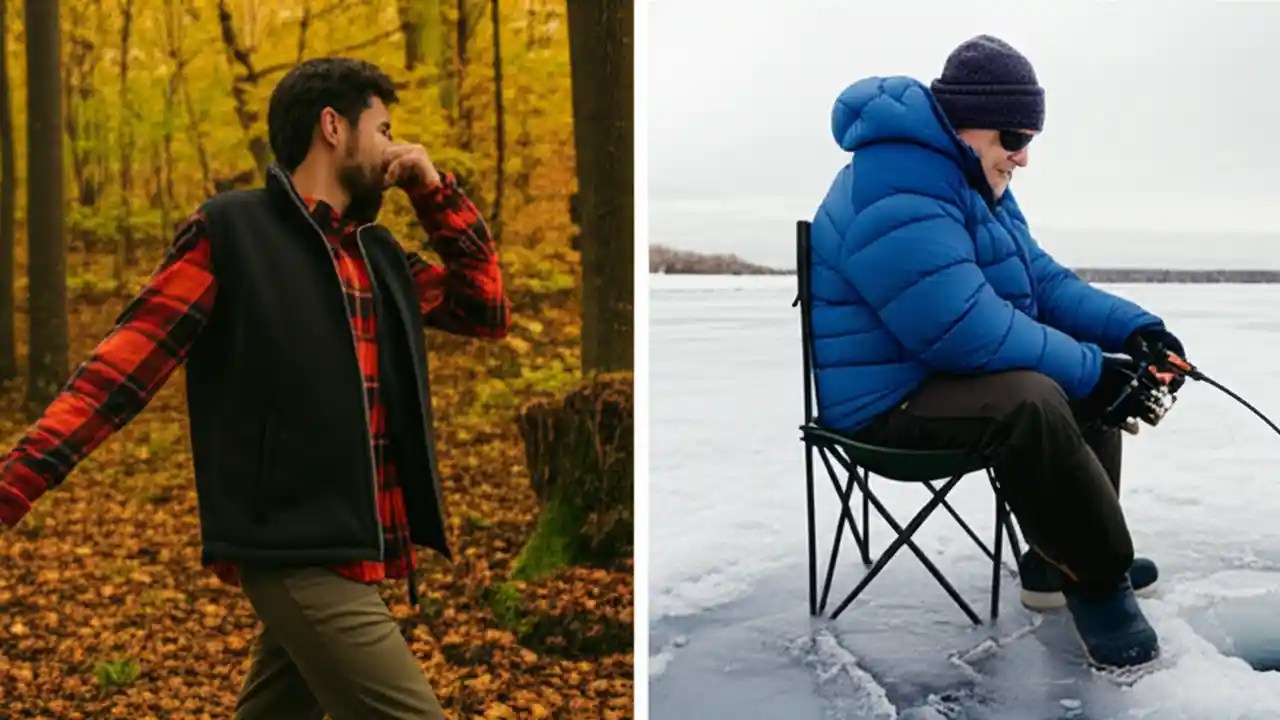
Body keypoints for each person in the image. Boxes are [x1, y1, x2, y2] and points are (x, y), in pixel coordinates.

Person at [0, 57, 509, 719]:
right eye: (382, 129)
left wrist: (435, 191)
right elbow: (119, 371)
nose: (395, 149)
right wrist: (14, 482)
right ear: (333, 126)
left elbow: (487, 309)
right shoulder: (231, 232)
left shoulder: (378, 255)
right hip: (292, 545)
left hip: (360, 542)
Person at [808, 35, 1187, 669]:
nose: (1023, 156)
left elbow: (1046, 284)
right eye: (1013, 136)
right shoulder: (893, 189)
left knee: (1079, 369)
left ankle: (1056, 561)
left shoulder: (974, 187)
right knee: (1038, 394)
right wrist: (1094, 373)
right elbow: (958, 327)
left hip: (947, 383)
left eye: (1030, 139)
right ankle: (1097, 582)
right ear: (964, 124)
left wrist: (1133, 333)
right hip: (887, 406)